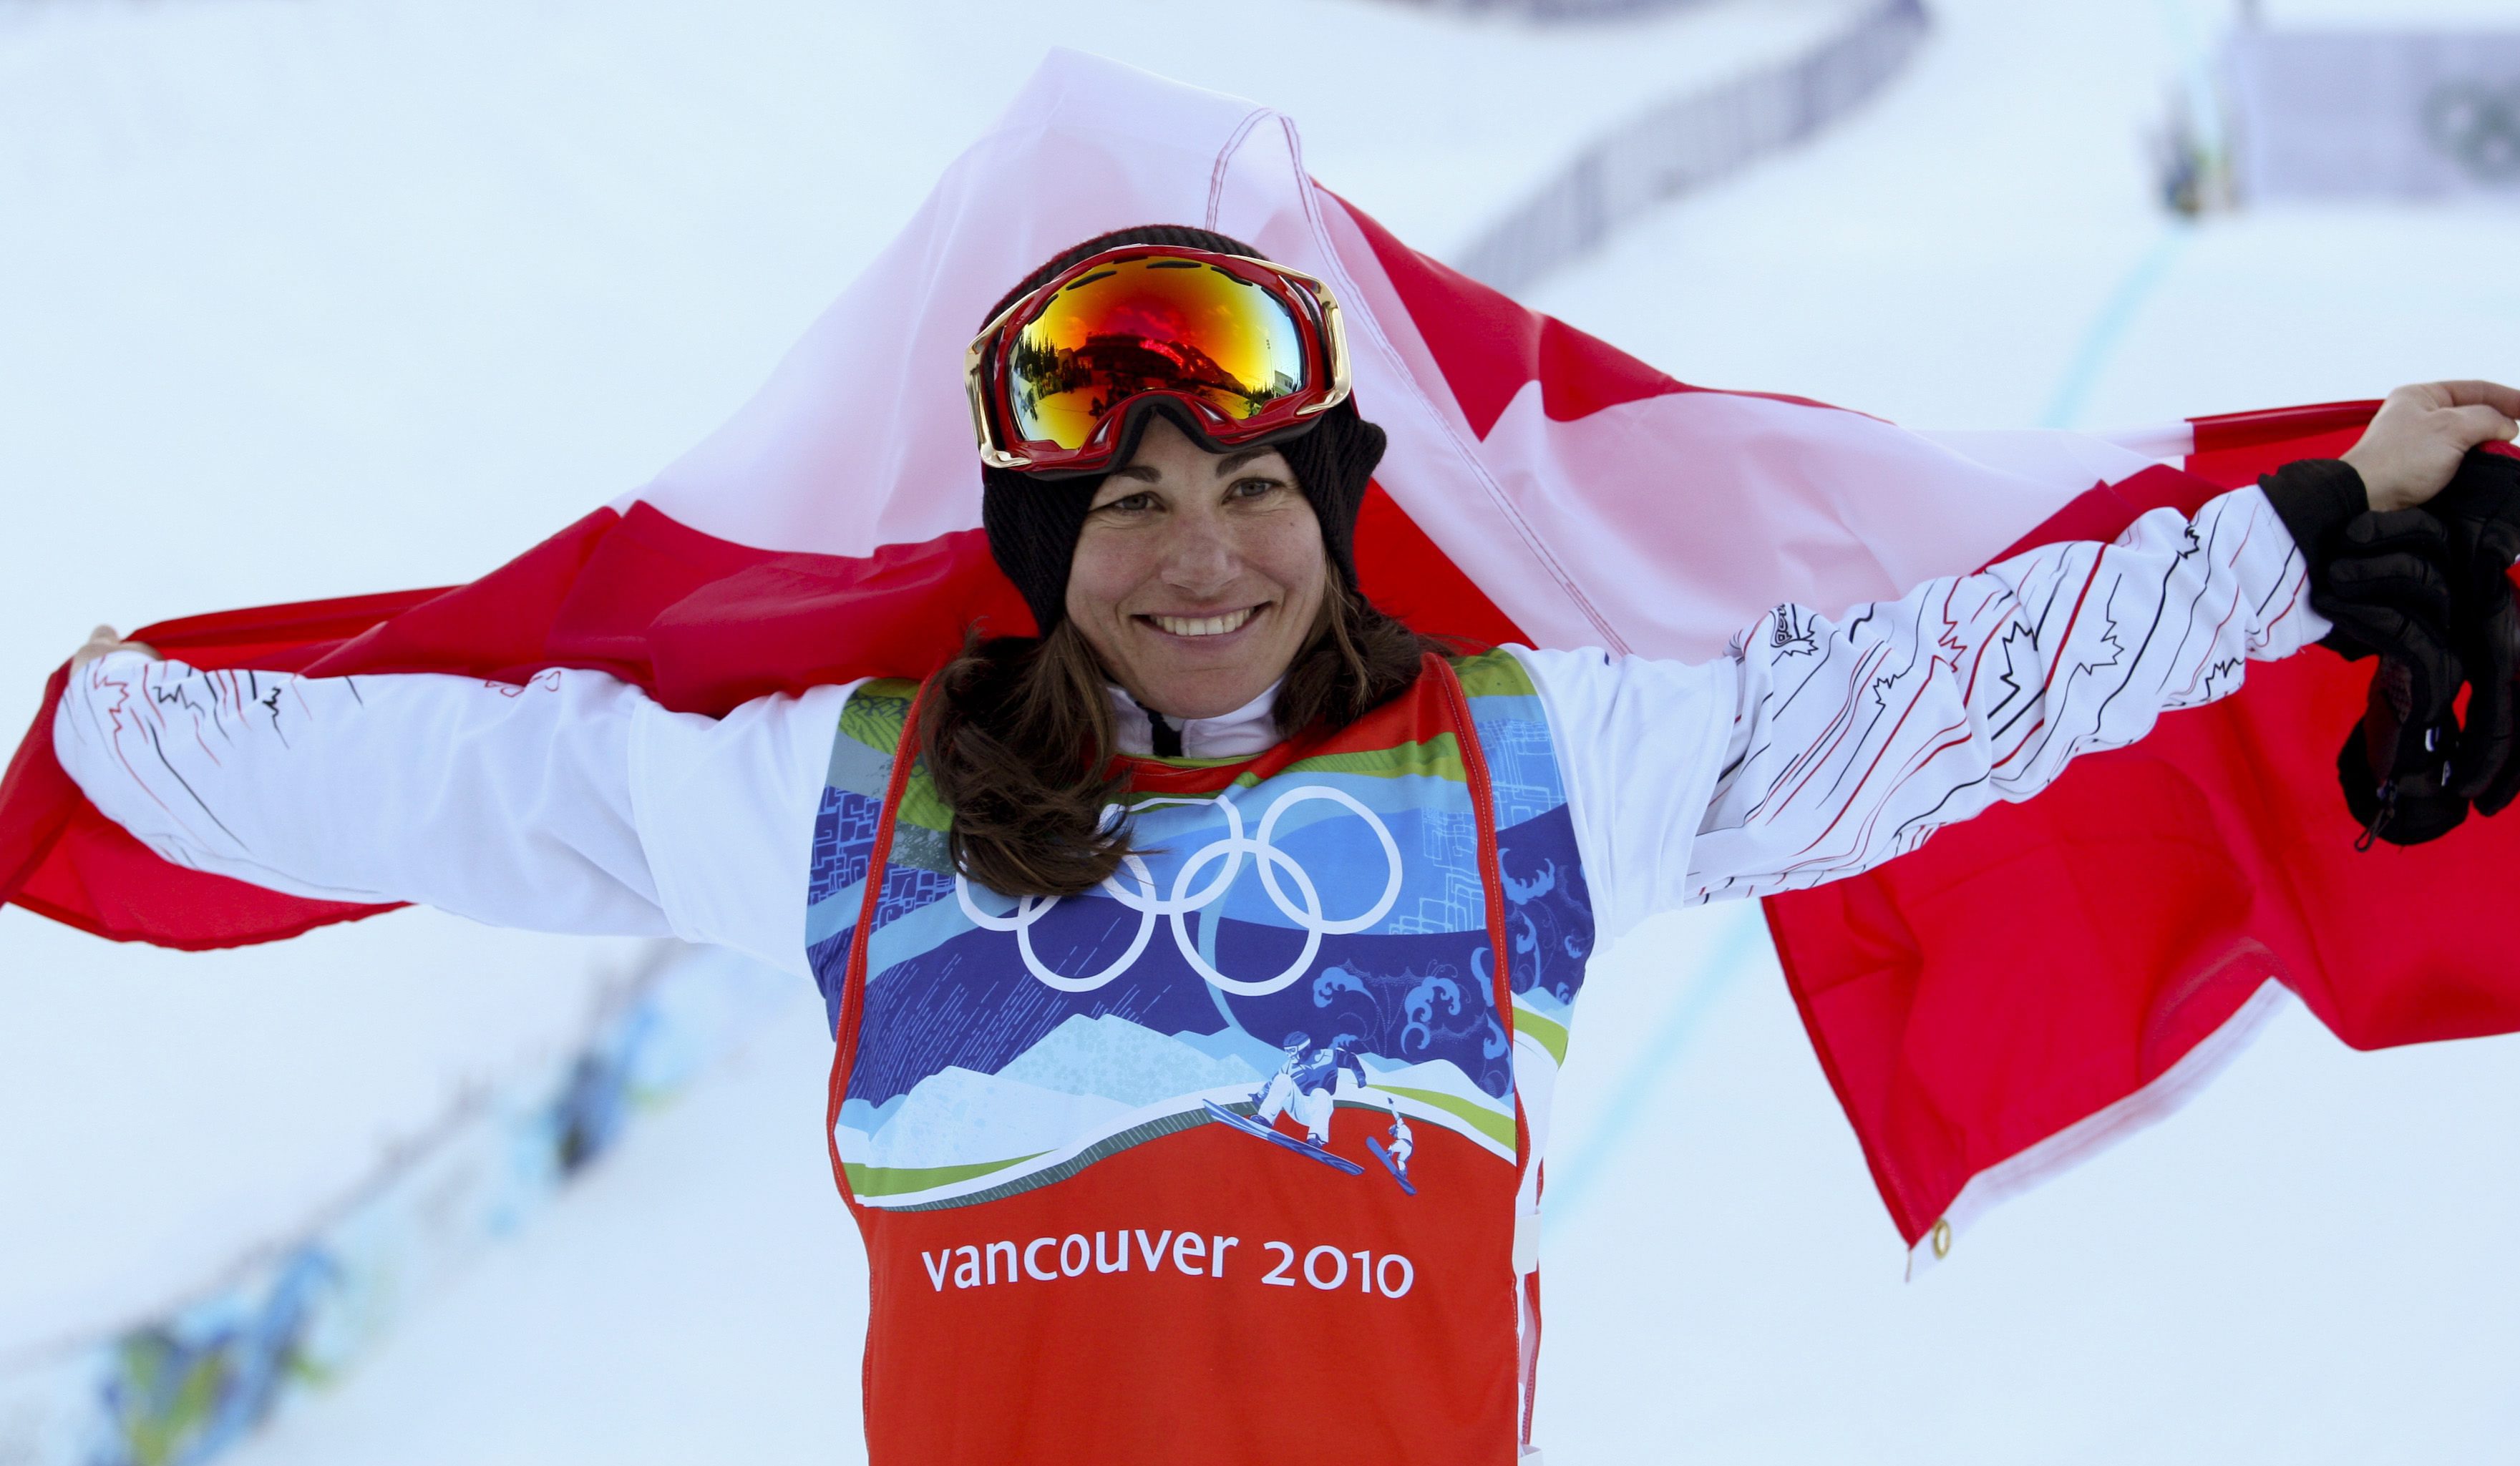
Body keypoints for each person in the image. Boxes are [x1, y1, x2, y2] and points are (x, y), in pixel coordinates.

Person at [53, 224, 2520, 1466]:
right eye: (1123, 500)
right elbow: (462, 770)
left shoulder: (1532, 772)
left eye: (1251, 485)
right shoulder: (849, 803)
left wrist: (2298, 542)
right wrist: (106, 734)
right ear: (1038, 546)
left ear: (1334, 520)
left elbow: (1920, 700)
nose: (1197, 549)